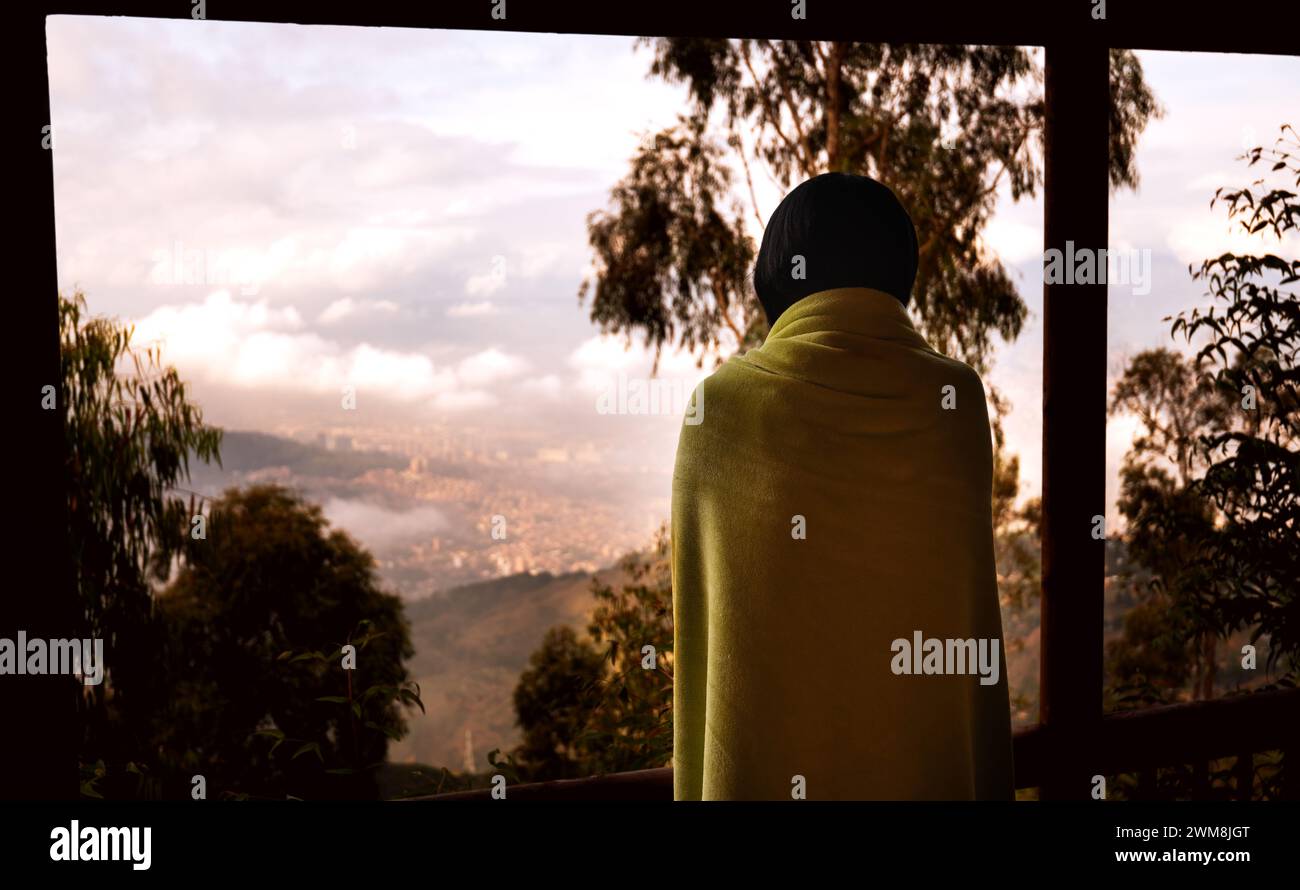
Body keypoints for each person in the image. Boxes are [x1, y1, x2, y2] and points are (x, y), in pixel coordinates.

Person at [671, 172, 1014, 800]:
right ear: (897, 278)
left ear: (776, 282)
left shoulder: (720, 410)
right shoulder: (956, 404)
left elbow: (707, 655)